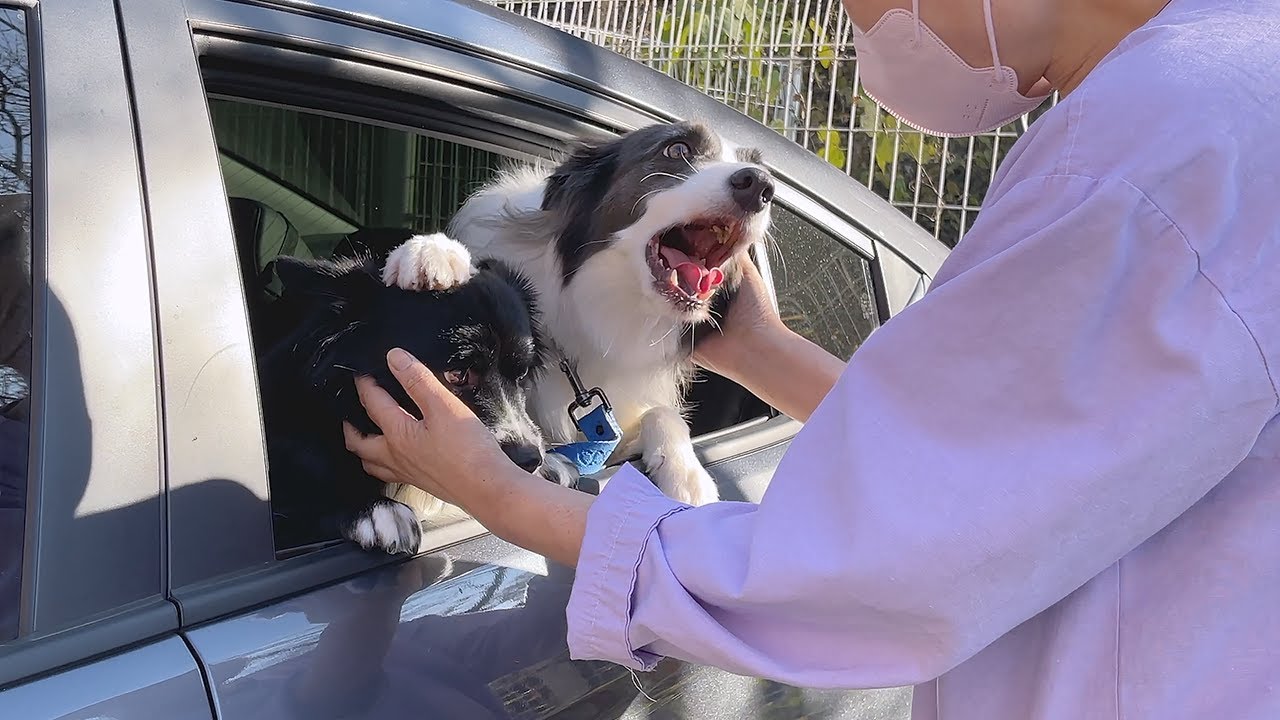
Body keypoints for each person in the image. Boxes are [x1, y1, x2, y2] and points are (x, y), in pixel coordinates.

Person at [343, 0, 1280, 717]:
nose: (866, 31)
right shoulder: (1220, 100)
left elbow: (881, 563)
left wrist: (499, 494)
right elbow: (994, 460)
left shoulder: (1143, 157)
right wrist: (756, 347)